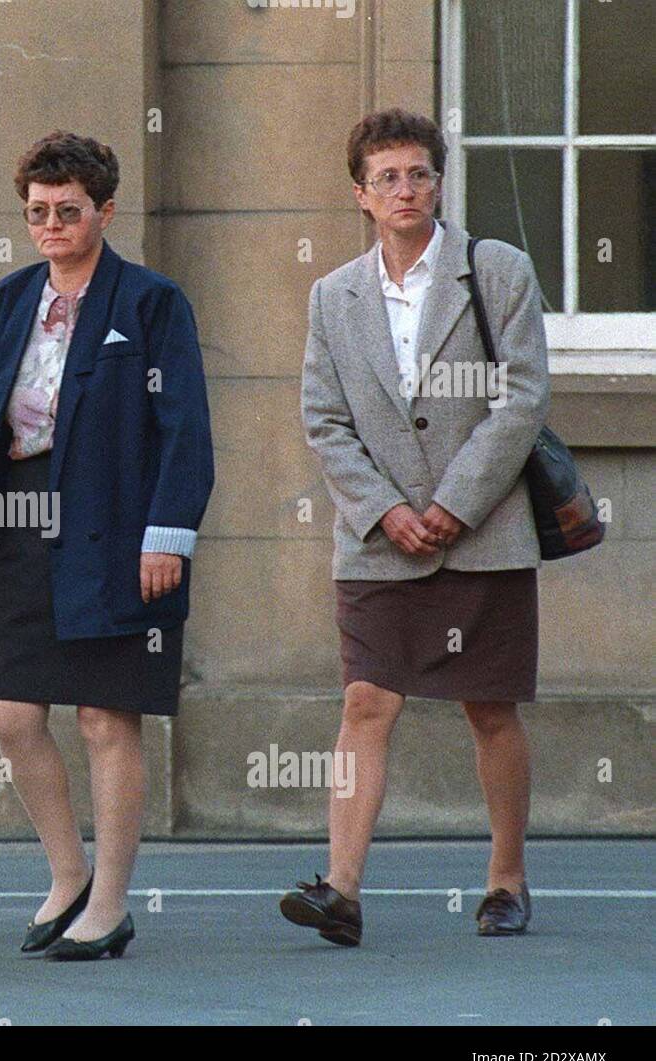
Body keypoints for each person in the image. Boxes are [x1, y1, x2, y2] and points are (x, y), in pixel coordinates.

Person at [0, 132, 214, 961]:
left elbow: (186, 428)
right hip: (17, 517)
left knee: (104, 716)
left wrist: (168, 535)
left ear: (104, 212)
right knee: (9, 710)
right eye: (38, 213)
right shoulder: (5, 302)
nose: (51, 224)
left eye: (68, 211)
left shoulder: (151, 303)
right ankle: (67, 873)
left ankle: (112, 904)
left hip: (119, 523)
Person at [286, 108, 550, 947]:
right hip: (377, 538)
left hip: (485, 529)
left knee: (488, 707)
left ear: (440, 181)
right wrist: (386, 509)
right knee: (366, 699)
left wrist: (454, 504)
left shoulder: (497, 269)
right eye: (387, 177)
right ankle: (341, 890)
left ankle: (506, 879)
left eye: (420, 174)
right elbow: (324, 420)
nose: (406, 189)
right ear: (360, 194)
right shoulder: (335, 294)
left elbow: (522, 399)